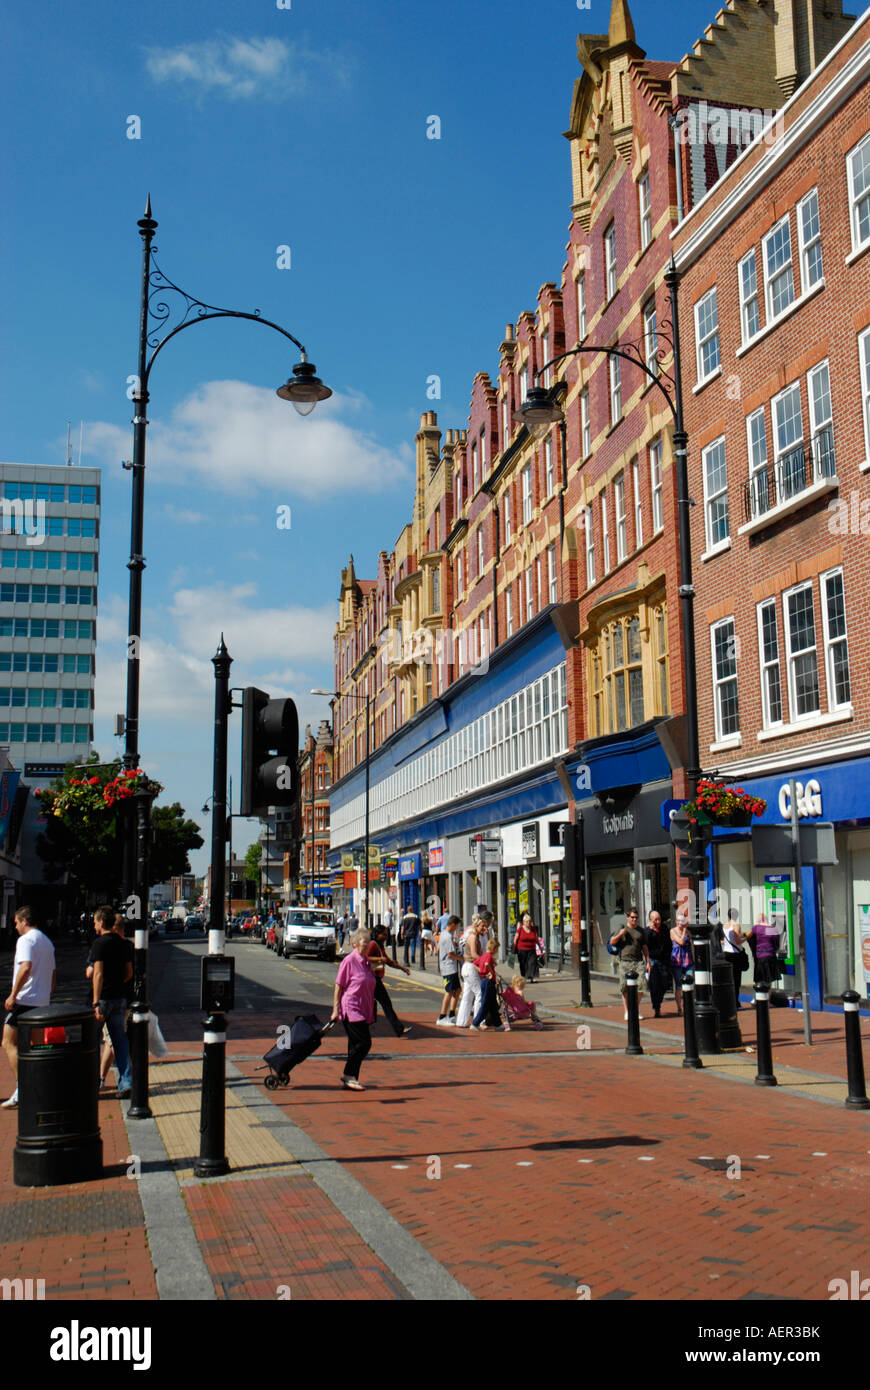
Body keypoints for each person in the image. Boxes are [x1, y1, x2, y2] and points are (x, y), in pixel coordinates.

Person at [2, 906, 56, 1109]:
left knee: (8, 1042)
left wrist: (13, 995)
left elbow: (25, 966)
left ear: (24, 921)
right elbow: (52, 973)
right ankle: (40, 1086)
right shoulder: (47, 941)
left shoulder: (25, 940)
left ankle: (23, 1087)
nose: (15, 927)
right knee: (34, 1047)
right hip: (41, 1000)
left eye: (16, 922)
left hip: (25, 1000)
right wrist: (47, 993)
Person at [90, 905, 134, 1098]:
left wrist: (95, 1001)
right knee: (120, 1041)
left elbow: (97, 973)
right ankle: (126, 1082)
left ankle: (93, 1082)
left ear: (101, 922)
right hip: (120, 997)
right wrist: (117, 982)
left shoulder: (100, 944)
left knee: (92, 1042)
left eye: (94, 922)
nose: (93, 926)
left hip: (104, 998)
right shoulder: (124, 944)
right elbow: (129, 973)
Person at [331, 927, 377, 1090]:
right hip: (350, 1007)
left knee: (355, 1044)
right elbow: (339, 985)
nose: (366, 946)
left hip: (363, 1008)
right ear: (355, 944)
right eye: (364, 943)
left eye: (368, 943)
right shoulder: (349, 961)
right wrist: (335, 1009)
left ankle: (352, 1078)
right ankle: (348, 1074)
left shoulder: (366, 962)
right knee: (365, 1043)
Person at [366, 926, 412, 1037]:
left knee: (375, 1003)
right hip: (372, 979)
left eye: (386, 934)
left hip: (374, 979)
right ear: (377, 934)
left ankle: (367, 1023)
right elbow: (364, 957)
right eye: (384, 934)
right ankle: (398, 1029)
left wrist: (403, 968)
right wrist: (378, 959)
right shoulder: (373, 944)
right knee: (386, 1004)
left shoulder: (379, 946)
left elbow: (389, 962)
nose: (386, 937)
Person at [609, 907, 649, 1021]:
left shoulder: (641, 931)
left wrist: (648, 962)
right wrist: (620, 934)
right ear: (627, 917)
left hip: (638, 962)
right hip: (625, 961)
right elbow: (612, 942)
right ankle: (627, 1011)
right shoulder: (622, 928)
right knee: (624, 988)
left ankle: (634, 1009)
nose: (634, 920)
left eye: (636, 918)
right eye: (632, 917)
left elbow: (645, 947)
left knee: (642, 986)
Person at [471, 935, 503, 1031]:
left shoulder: (484, 955)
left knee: (493, 1004)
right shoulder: (489, 957)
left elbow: (474, 964)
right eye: (496, 949)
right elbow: (486, 964)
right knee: (485, 1004)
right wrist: (490, 973)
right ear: (493, 948)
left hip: (485, 981)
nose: (497, 952)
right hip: (489, 981)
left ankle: (498, 1024)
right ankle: (475, 1023)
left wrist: (480, 970)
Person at [456, 916, 483, 1028]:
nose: (484, 928)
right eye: (483, 926)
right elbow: (473, 954)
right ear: (477, 926)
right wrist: (484, 960)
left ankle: (461, 1022)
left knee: (468, 995)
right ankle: (477, 1021)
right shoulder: (473, 937)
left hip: (467, 967)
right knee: (479, 993)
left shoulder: (474, 936)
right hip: (470, 967)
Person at [645, 909, 672, 1018]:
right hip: (653, 960)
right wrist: (650, 931)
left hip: (664, 960)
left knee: (665, 983)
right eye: (655, 919)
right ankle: (657, 1007)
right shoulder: (647, 932)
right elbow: (646, 944)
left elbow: (668, 943)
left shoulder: (664, 929)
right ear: (650, 920)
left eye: (659, 919)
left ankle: (658, 1001)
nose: (657, 922)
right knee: (654, 985)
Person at [436, 916, 462, 1024]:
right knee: (450, 991)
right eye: (456, 926)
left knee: (457, 990)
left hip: (451, 967)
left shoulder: (446, 935)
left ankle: (452, 1014)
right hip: (448, 967)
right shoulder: (447, 937)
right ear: (452, 925)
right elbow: (450, 954)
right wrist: (462, 958)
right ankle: (442, 1016)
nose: (456, 928)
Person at [722, 908, 750, 1009]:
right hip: (735, 955)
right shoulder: (736, 926)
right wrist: (747, 936)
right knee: (736, 980)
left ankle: (728, 1002)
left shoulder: (724, 926)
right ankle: (736, 1003)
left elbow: (724, 941)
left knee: (729, 979)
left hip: (726, 953)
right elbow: (738, 941)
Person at [747, 914, 782, 991]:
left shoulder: (755, 928)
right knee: (768, 980)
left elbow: (749, 938)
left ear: (760, 920)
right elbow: (776, 943)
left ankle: (757, 998)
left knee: (759, 979)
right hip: (770, 955)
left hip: (759, 956)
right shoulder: (772, 929)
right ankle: (768, 999)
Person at [669, 912, 692, 1017]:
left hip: (687, 960)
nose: (680, 923)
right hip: (677, 961)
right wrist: (684, 932)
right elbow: (681, 942)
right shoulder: (672, 931)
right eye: (678, 921)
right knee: (679, 985)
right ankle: (679, 1008)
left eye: (682, 921)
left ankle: (688, 1005)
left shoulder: (688, 931)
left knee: (690, 982)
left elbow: (691, 942)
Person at [512, 912, 540, 981]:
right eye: (527, 921)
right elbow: (515, 940)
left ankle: (532, 977)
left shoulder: (533, 929)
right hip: (521, 950)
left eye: (530, 921)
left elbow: (536, 939)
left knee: (532, 963)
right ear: (523, 922)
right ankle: (524, 976)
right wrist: (513, 949)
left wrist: (540, 947)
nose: (528, 923)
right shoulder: (520, 929)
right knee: (523, 964)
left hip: (531, 949)